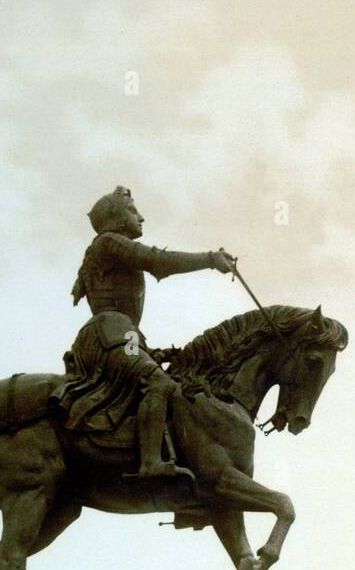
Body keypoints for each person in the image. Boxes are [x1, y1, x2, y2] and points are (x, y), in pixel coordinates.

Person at [53, 185, 236, 477]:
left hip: (121, 335)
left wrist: (154, 352)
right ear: (115, 217)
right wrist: (210, 259)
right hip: (110, 334)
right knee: (160, 385)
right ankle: (150, 463)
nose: (142, 218)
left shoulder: (107, 247)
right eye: (133, 211)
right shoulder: (108, 242)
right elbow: (157, 261)